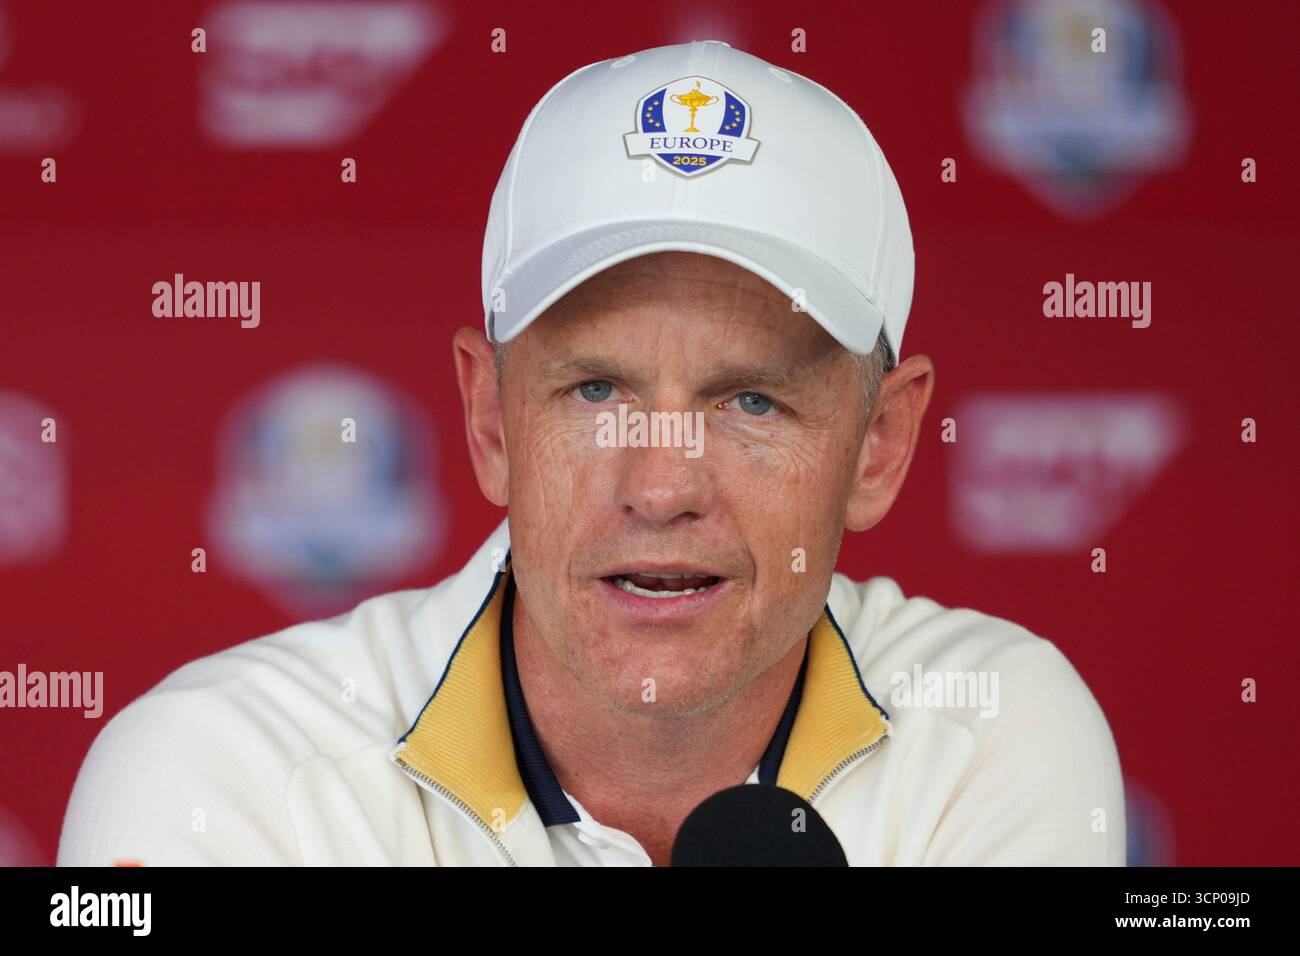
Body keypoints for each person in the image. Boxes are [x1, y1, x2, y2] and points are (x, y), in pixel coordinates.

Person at [59, 39, 1124, 866]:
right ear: (490, 422)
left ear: (879, 445)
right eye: (596, 389)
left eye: (750, 399)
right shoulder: (218, 769)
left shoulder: (992, 732)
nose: (661, 485)